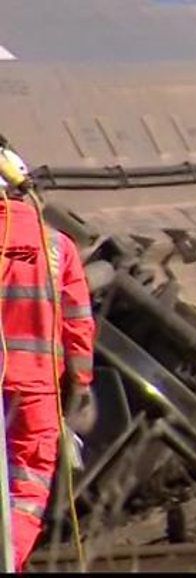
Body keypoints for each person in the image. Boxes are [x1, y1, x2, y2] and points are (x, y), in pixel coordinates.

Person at [0, 146, 96, 571]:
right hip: (37, 393)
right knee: (26, 490)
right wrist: (81, 386)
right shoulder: (58, 247)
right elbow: (78, 326)